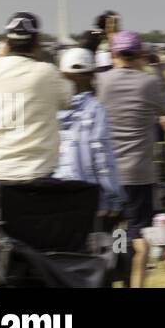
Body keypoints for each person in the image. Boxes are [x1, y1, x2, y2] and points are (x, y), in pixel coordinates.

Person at [0, 13, 74, 222]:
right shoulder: (46, 73)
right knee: (32, 247)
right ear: (37, 42)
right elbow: (68, 98)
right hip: (32, 175)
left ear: (5, 40)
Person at [94, 30, 165, 287]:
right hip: (139, 171)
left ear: (114, 54)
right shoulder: (149, 83)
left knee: (104, 234)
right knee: (139, 235)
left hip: (106, 171)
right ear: (139, 54)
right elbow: (162, 111)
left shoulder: (101, 81)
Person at [53, 47, 126, 214]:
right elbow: (102, 158)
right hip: (83, 194)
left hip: (50, 191)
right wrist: (115, 197)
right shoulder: (94, 109)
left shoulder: (49, 106)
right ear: (92, 76)